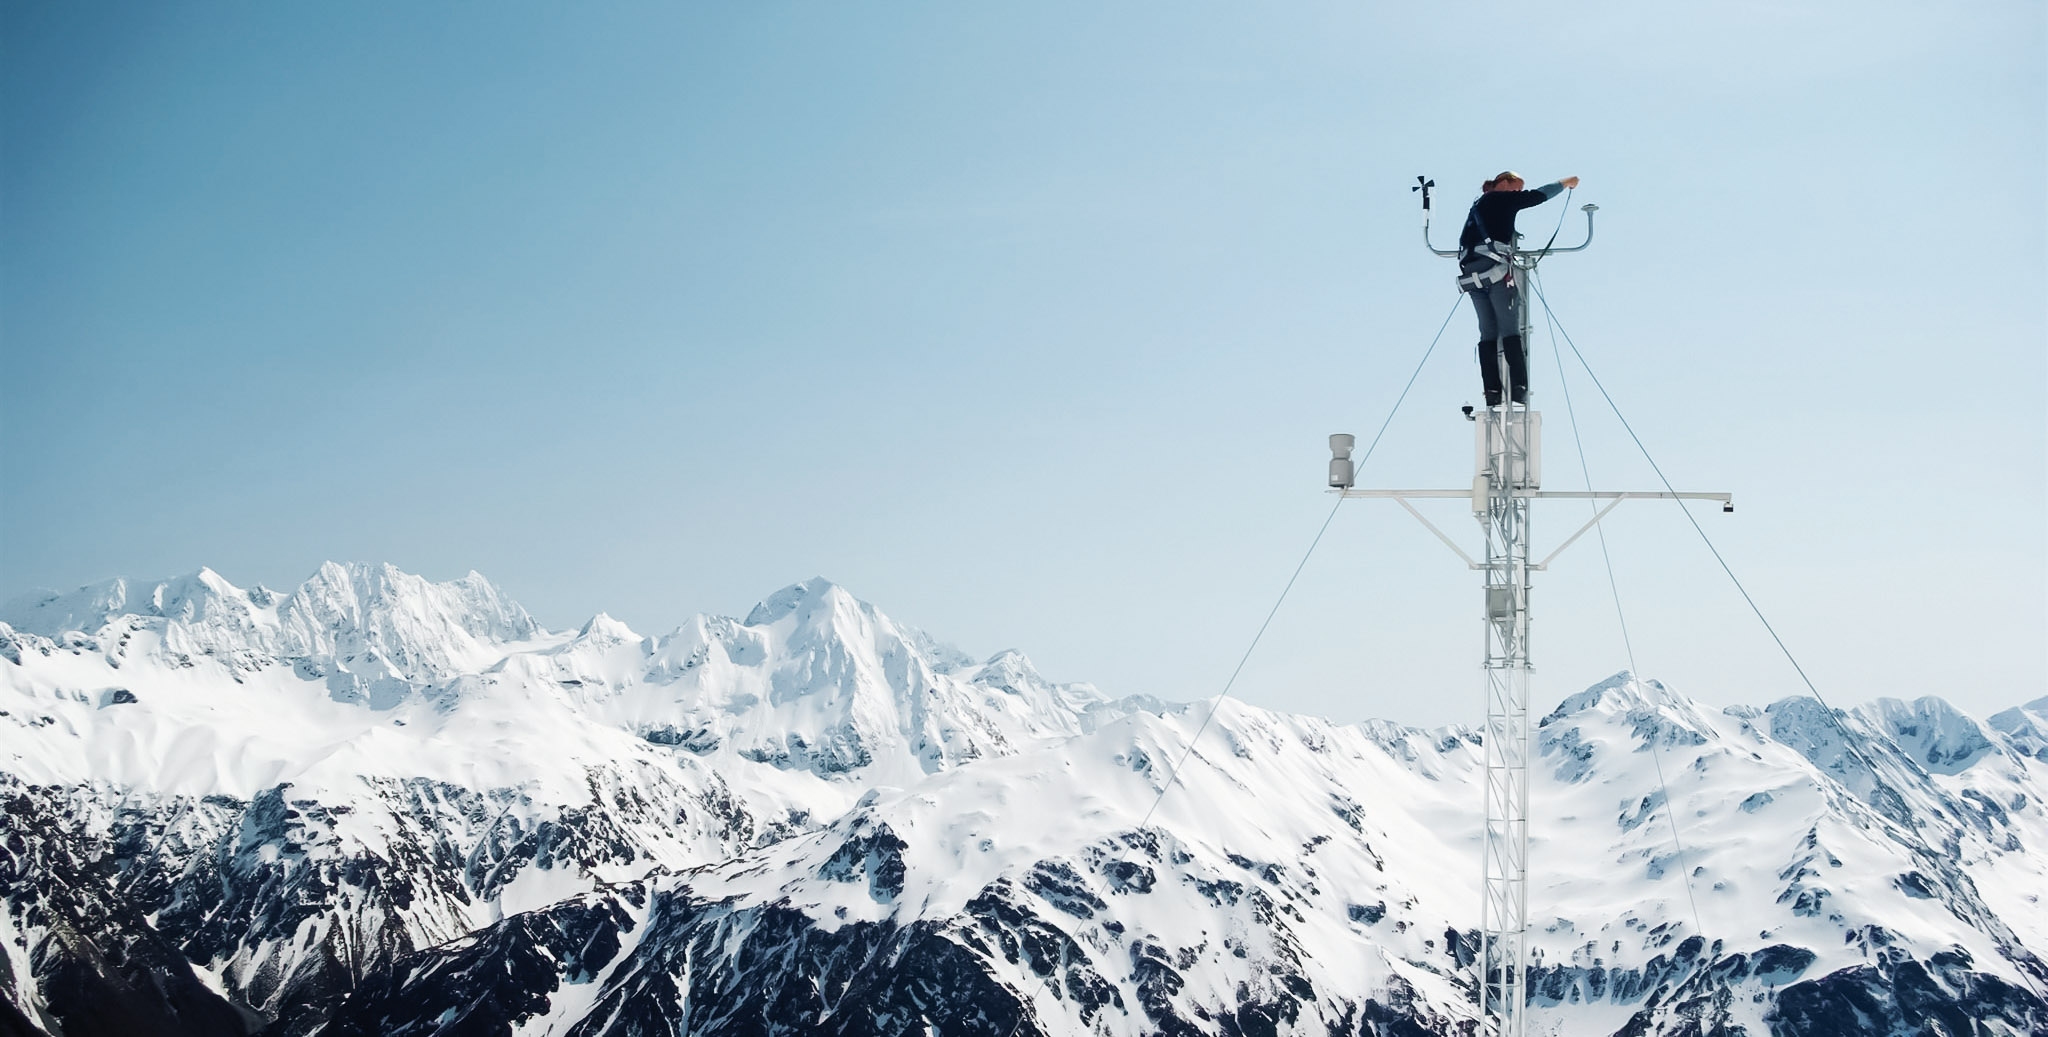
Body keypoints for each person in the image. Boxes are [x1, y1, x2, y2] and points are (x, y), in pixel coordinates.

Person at [1458, 171, 1580, 406]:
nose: (1518, 193)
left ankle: (1492, 391)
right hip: (1494, 270)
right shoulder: (1501, 199)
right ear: (1504, 184)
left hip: (1472, 275)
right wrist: (1566, 183)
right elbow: (1538, 196)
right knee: (1510, 328)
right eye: (1516, 188)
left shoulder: (1477, 206)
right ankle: (1519, 388)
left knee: (1487, 332)